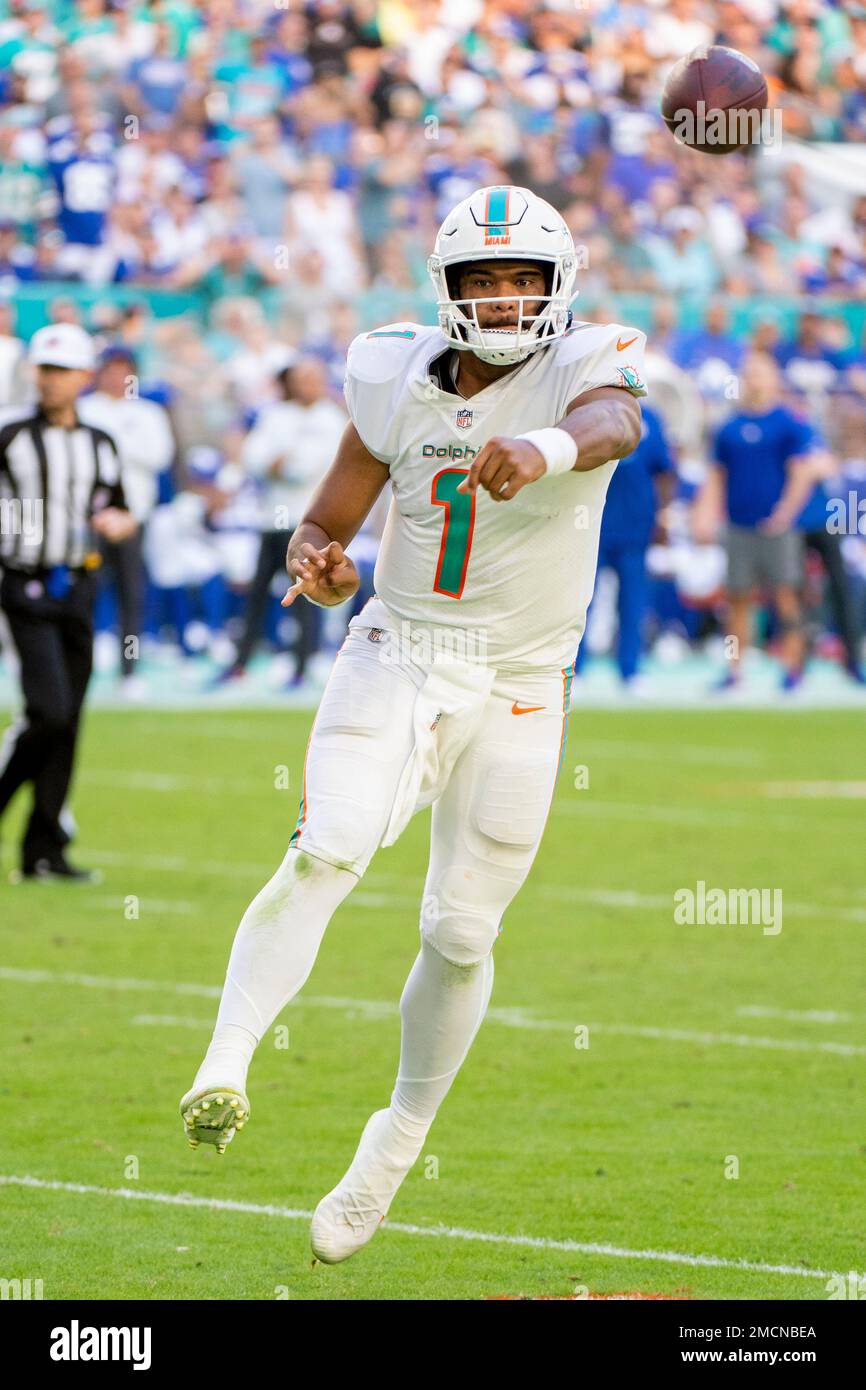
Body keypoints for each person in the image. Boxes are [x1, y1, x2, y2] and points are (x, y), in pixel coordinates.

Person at [180, 184, 646, 1264]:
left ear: (554, 285)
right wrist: (316, 554)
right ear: (444, 291)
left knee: (461, 930)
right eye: (479, 279)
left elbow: (615, 421)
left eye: (519, 278)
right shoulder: (391, 373)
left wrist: (546, 452)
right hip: (398, 652)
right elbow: (329, 511)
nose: (499, 297)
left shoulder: (587, 364)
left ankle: (393, 1142)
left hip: (525, 677)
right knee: (327, 848)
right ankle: (225, 1062)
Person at [0, 323, 136, 880]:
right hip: (24, 583)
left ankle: (44, 849)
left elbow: (121, 509)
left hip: (79, 586)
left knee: (69, 719)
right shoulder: (10, 437)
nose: (51, 380)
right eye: (45, 369)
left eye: (62, 371)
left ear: (83, 376)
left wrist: (119, 523)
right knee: (48, 711)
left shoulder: (100, 444)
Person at [695, 351, 824, 693]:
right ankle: (735, 670)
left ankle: (793, 669)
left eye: (759, 373)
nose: (753, 379)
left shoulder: (788, 423)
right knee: (736, 600)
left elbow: (801, 473)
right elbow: (717, 477)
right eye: (748, 373)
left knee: (785, 598)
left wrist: (784, 514)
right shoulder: (729, 428)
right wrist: (706, 515)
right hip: (738, 525)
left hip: (776, 528)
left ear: (773, 378)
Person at [219, 357, 345, 686]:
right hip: (273, 521)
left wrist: (282, 463)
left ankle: (302, 666)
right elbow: (252, 456)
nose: (307, 385)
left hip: (309, 524)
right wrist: (276, 462)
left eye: (313, 378)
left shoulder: (331, 419)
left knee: (306, 597)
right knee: (258, 595)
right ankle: (240, 664)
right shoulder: (275, 415)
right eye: (301, 379)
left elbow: (313, 466)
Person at [77, 344, 175, 692]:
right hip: (90, 516)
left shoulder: (148, 412)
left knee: (130, 593)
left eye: (125, 369)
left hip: (133, 517)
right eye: (112, 369)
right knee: (83, 590)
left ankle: (129, 671)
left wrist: (114, 446)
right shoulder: (85, 408)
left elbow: (159, 455)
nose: (118, 377)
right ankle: (80, 664)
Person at [574, 401, 675, 688]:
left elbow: (664, 471)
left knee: (633, 603)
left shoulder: (651, 417)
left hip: (636, 528)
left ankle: (630, 670)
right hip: (591, 525)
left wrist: (663, 517)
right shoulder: (588, 410)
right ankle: (575, 668)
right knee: (580, 601)